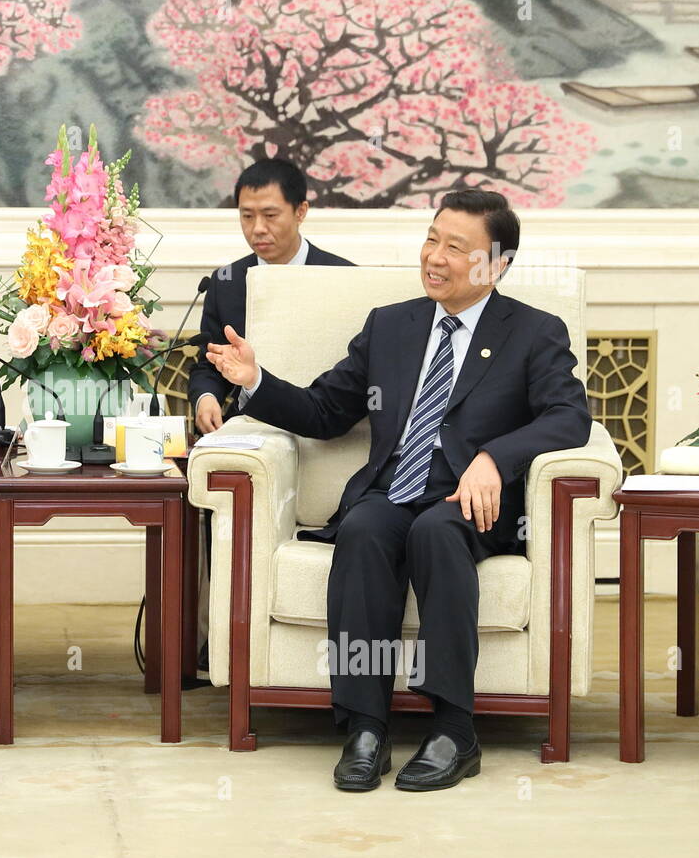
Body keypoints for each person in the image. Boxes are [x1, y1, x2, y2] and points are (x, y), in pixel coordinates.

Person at [205, 189, 591, 792]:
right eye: (431, 238)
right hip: (392, 491)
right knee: (363, 526)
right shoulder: (392, 325)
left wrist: (495, 457)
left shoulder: (534, 333)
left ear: (496, 264)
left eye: (456, 247)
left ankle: (453, 730)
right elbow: (327, 410)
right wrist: (256, 382)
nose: (434, 256)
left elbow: (569, 418)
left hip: (468, 502)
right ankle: (365, 725)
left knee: (437, 531)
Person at [189, 159, 355, 433]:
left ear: (300, 211)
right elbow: (209, 364)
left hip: (322, 424)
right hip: (247, 425)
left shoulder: (343, 278)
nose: (257, 229)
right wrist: (206, 399)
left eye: (270, 215)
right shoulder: (226, 283)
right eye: (247, 216)